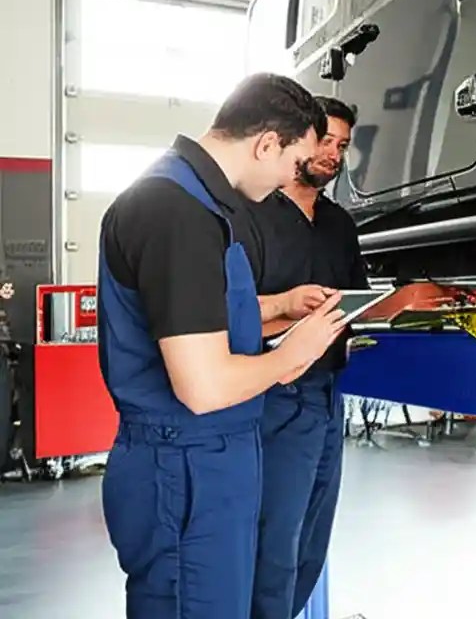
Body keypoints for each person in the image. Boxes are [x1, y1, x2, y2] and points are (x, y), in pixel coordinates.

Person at [96, 73, 350, 619]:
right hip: (183, 470)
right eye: (295, 160)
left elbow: (204, 319)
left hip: (210, 463)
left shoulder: (202, 205)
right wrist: (292, 355)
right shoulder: (175, 212)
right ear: (265, 144)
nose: (293, 176)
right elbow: (203, 384)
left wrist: (280, 308)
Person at [248, 96, 367, 619]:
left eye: (343, 145)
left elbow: (357, 296)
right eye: (326, 141)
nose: (334, 154)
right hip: (275, 392)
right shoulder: (251, 215)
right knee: (276, 534)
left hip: (327, 393)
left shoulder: (340, 223)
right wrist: (286, 314)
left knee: (314, 532)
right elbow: (226, 313)